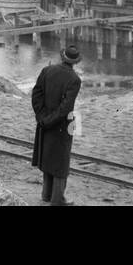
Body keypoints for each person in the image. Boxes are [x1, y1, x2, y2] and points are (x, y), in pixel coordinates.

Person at [31, 44, 82, 206]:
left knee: (47, 156)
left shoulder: (47, 70)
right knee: (60, 162)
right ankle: (57, 199)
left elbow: (36, 94)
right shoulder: (74, 79)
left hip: (44, 122)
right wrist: (51, 119)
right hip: (61, 125)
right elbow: (66, 108)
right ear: (75, 62)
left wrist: (42, 117)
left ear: (62, 56)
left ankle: (46, 195)